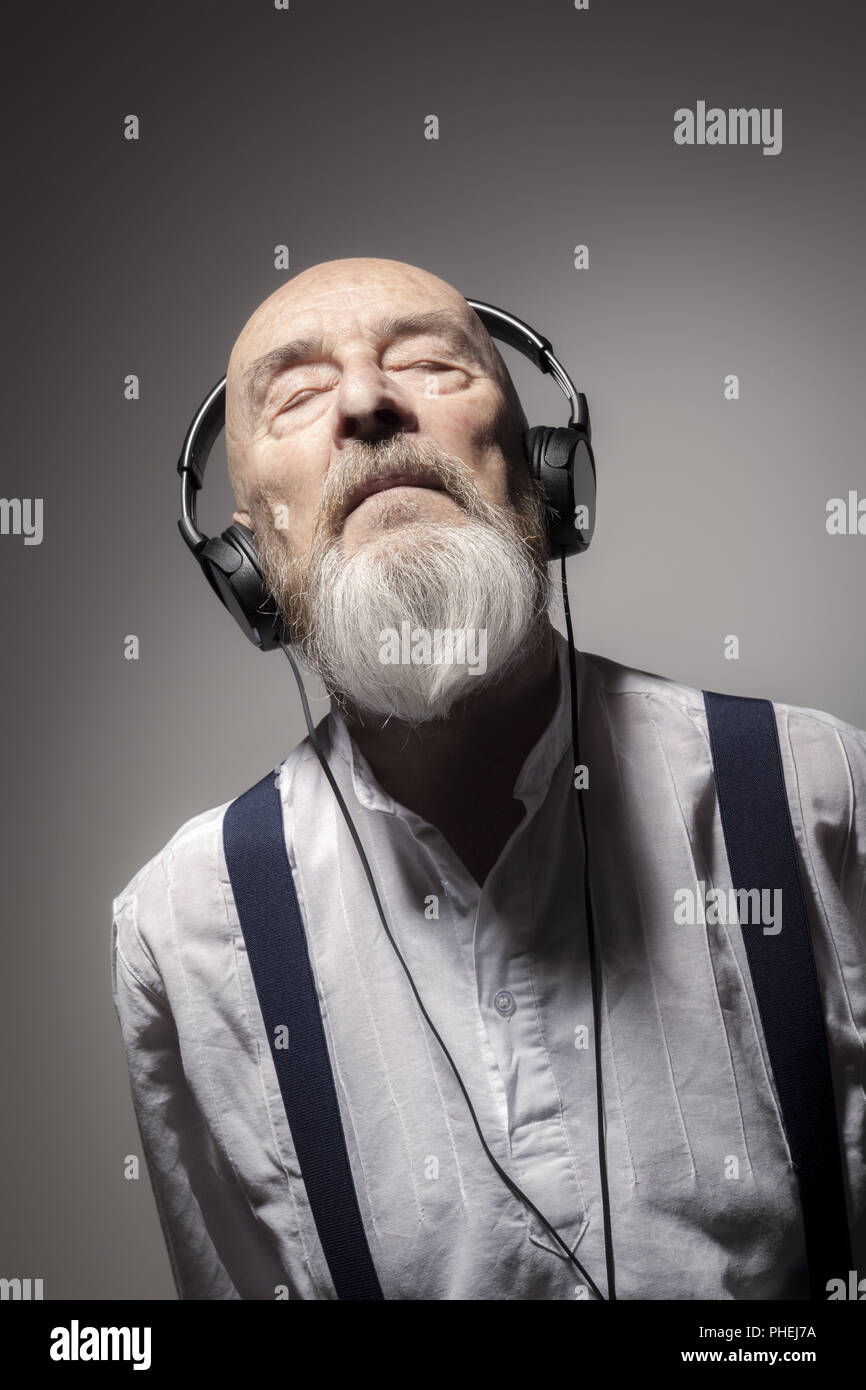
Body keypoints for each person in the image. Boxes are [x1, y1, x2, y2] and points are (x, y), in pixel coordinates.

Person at [111, 256, 865, 1300]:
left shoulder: (814, 789)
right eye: (296, 394)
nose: (370, 402)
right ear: (249, 567)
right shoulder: (185, 925)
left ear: (545, 475)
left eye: (428, 362)